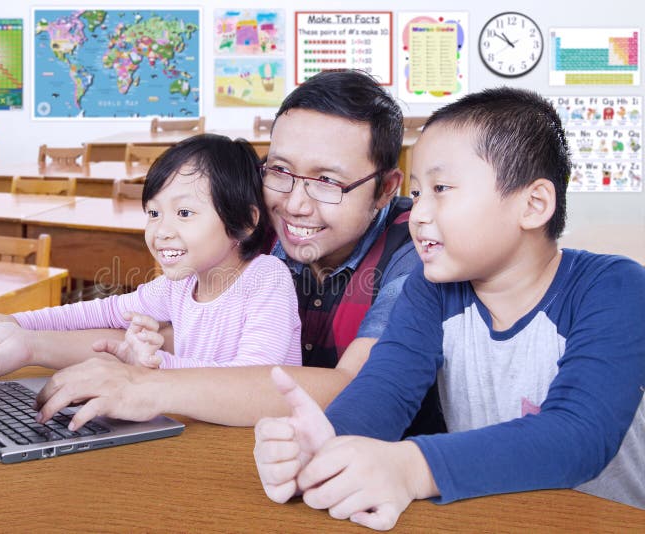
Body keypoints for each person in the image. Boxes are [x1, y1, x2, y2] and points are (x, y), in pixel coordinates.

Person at [0, 70, 442, 432]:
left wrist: (144, 382)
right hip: (252, 451)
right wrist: (27, 341)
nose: (295, 204)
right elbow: (159, 334)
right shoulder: (255, 226)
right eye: (279, 170)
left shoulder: (412, 248)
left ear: (384, 189)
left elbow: (351, 389)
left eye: (327, 181)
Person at [253, 87, 645, 530]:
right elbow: (384, 394)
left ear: (533, 205)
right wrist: (325, 444)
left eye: (441, 189)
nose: (418, 214)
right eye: (418, 192)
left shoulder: (613, 287)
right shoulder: (431, 289)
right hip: (486, 520)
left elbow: (579, 436)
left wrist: (413, 467)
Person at [0, 134, 302, 380]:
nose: (161, 230)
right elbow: (105, 310)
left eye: (184, 212)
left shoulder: (266, 278)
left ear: (243, 222)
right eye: (153, 213)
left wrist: (156, 364)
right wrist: (21, 323)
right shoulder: (182, 285)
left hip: (261, 448)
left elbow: (254, 379)